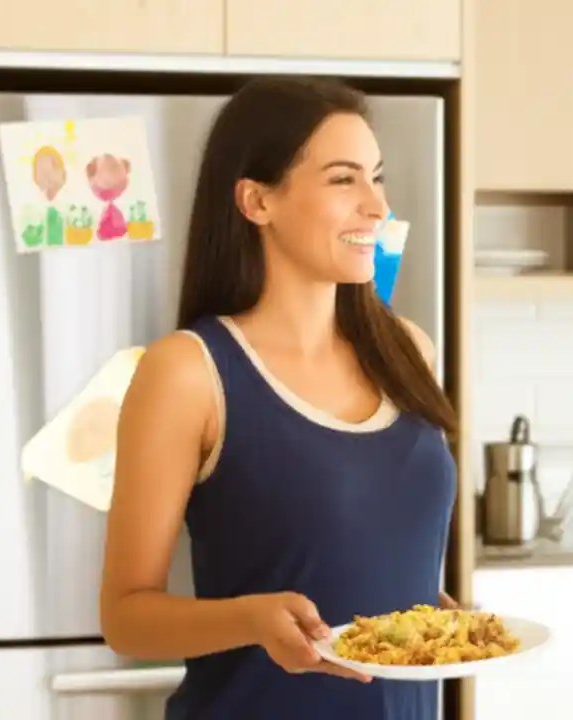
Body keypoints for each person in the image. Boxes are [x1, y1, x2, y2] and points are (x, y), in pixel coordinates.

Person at [99, 77, 460, 720]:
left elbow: (363, 556)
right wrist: (253, 619)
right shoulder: (189, 371)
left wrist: (436, 618)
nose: (376, 207)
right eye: (344, 180)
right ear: (257, 200)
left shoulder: (409, 351)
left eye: (377, 178)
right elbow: (127, 616)